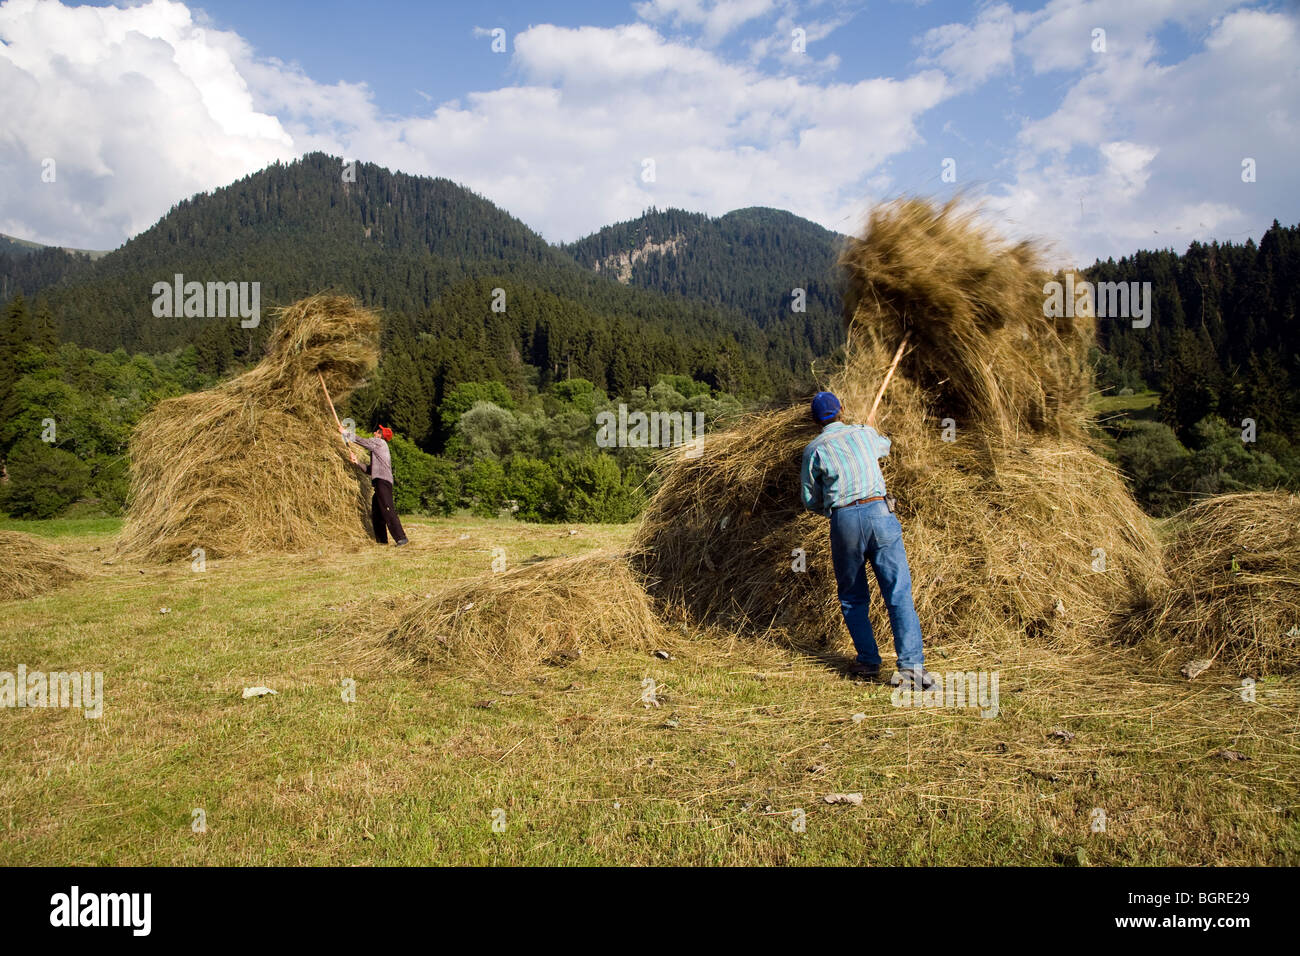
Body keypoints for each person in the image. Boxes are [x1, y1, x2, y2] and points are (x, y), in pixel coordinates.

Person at [799, 391, 934, 688]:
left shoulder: (814, 449)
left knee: (852, 596)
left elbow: (809, 499)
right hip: (880, 512)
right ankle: (911, 669)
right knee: (897, 592)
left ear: (814, 420)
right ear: (842, 410)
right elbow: (885, 447)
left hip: (844, 519)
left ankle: (868, 661)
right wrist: (868, 431)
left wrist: (832, 510)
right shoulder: (863, 434)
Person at [342, 424, 408, 546]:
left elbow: (362, 441)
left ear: (380, 435)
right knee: (377, 513)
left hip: (383, 482)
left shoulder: (380, 443)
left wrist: (345, 433)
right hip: (379, 482)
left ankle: (401, 538)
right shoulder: (377, 450)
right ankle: (381, 541)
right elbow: (370, 470)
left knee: (388, 509)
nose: (375, 432)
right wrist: (357, 462)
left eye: (378, 431)